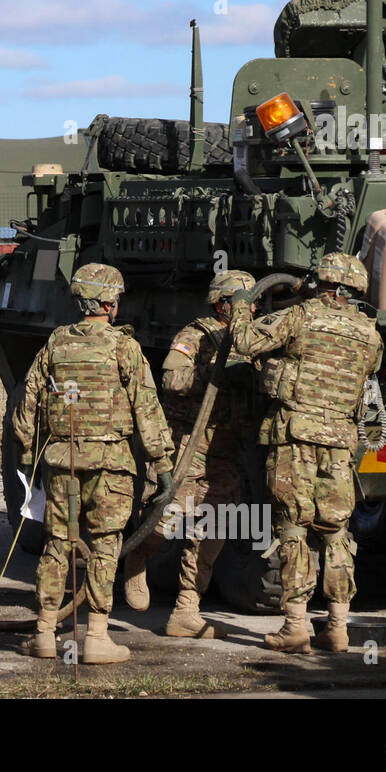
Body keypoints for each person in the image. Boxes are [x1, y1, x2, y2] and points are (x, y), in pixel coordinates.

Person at [13, 263, 174, 663]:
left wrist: (30, 456)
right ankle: (97, 639)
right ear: (108, 303)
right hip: (112, 465)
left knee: (57, 544)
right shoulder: (124, 347)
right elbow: (147, 408)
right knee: (104, 547)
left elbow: (27, 404)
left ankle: (45, 634)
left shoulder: (54, 343)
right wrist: (163, 464)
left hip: (62, 463)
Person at [228, 253, 382, 653]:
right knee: (336, 532)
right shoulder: (369, 333)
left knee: (294, 528)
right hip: (341, 442)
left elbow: (244, 342)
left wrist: (242, 307)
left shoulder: (300, 317)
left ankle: (295, 627)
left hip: (296, 437)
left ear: (322, 283)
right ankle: (338, 628)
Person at [143, 270, 258, 639]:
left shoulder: (249, 339)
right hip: (191, 446)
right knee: (166, 518)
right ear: (225, 304)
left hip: (226, 449)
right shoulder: (195, 335)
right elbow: (171, 379)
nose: (253, 307)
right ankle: (136, 559)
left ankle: (186, 608)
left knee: (217, 526)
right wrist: (216, 374)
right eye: (245, 302)